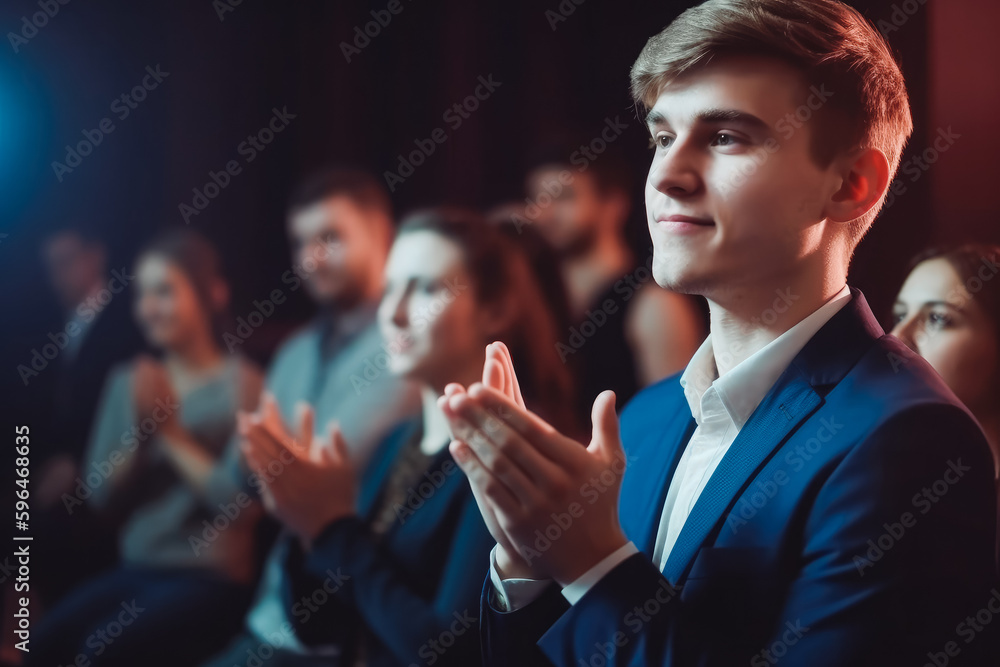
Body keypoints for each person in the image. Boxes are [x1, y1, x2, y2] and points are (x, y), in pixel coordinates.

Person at [440, 1, 1000, 665]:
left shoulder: (909, 439)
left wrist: (592, 565)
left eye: (726, 136)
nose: (667, 176)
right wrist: (526, 561)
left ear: (851, 184)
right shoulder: (645, 418)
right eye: (662, 136)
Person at [210, 209, 578, 666]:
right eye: (390, 289)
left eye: (425, 289)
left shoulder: (509, 454)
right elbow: (321, 626)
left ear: (495, 310)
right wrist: (306, 526)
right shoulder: (396, 443)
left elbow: (451, 653)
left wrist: (331, 528)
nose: (395, 313)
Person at [198, 167, 420, 665]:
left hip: (351, 626)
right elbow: (241, 472)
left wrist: (275, 463)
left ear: (382, 235)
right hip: (272, 611)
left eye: (330, 238)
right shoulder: (295, 349)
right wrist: (278, 469)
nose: (311, 258)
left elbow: (328, 470)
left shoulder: (408, 347)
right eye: (301, 243)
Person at [27, 229, 264, 667]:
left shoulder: (244, 384)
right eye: (142, 294)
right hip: (137, 569)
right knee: (41, 645)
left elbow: (243, 505)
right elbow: (101, 496)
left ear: (208, 295)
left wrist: (170, 436)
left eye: (165, 292)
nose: (149, 308)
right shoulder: (128, 381)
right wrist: (138, 437)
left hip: (212, 577)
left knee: (97, 652)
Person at [517, 141, 704, 414]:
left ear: (613, 205)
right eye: (536, 199)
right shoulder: (532, 296)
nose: (542, 214)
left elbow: (672, 421)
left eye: (564, 197)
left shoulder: (654, 303)